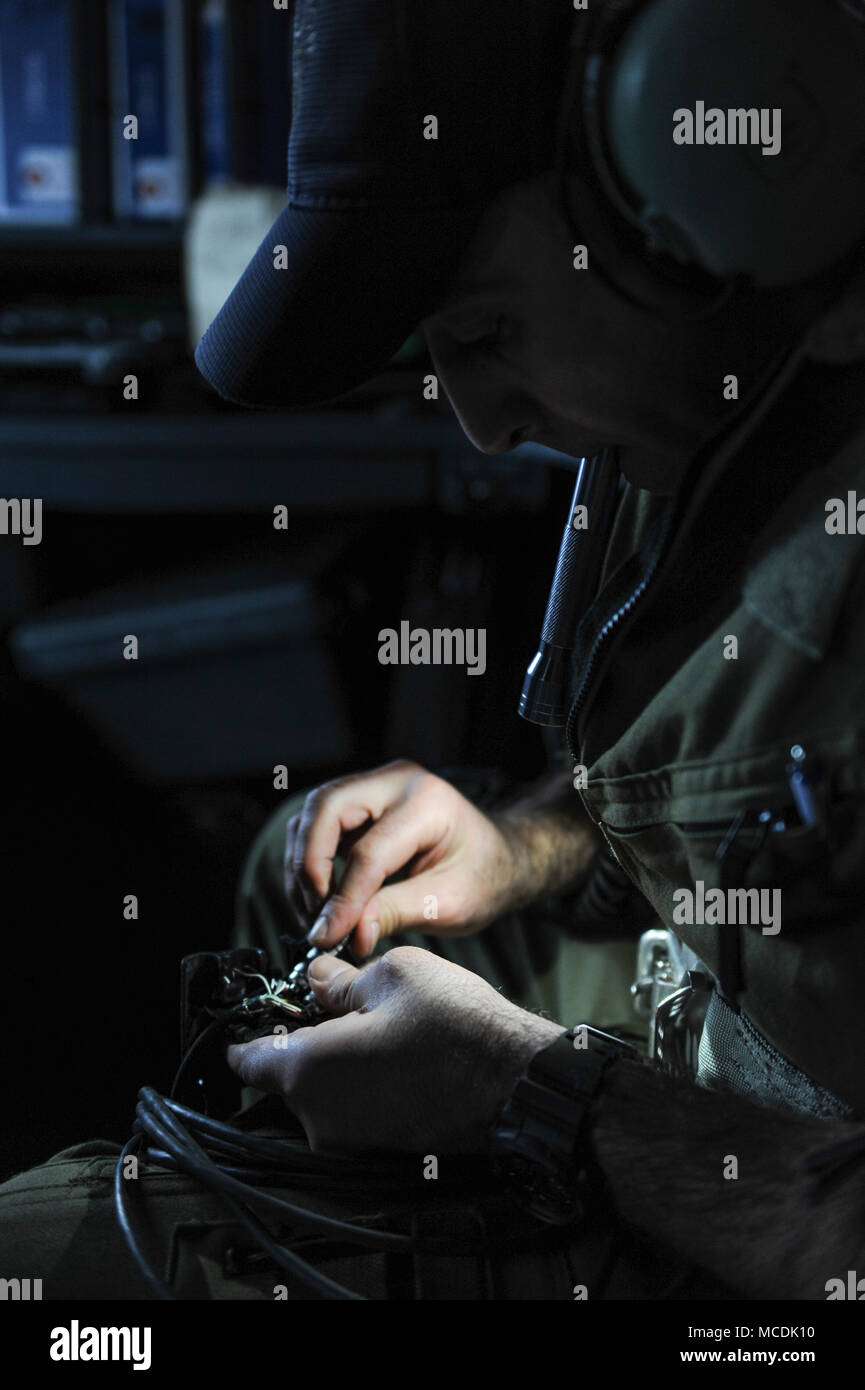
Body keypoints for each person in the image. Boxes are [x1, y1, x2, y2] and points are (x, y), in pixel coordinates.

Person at [2, 0, 865, 1301]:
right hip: (708, 1036)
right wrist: (518, 843)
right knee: (287, 892)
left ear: (733, 164)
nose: (478, 424)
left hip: (768, 1216)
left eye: (486, 332)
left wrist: (537, 1093)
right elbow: (725, 776)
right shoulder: (719, 380)